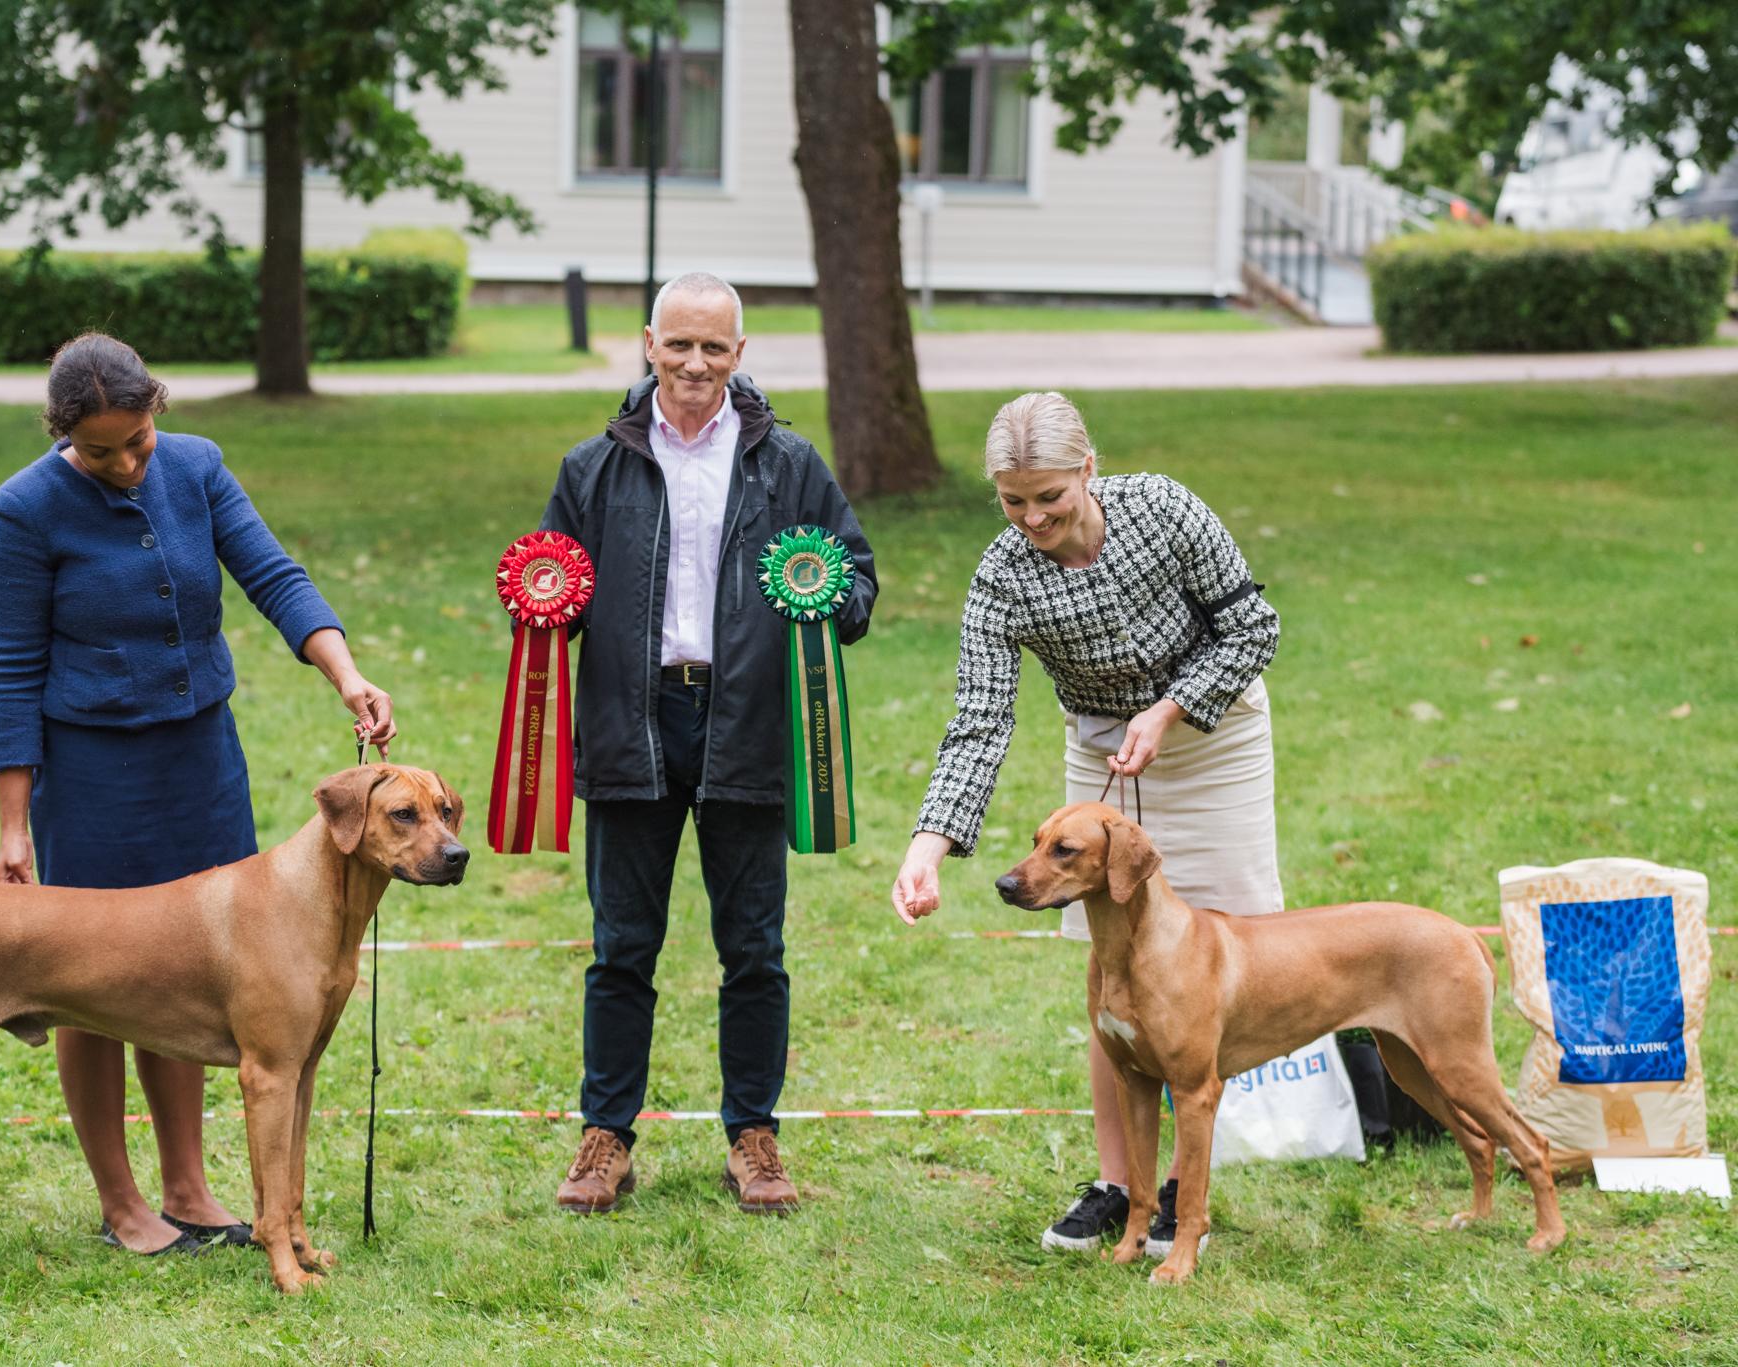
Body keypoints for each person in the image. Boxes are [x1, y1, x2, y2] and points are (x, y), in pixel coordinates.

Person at [0, 332, 395, 1255]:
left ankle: (189, 1185)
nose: (127, 462)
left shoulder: (198, 467)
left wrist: (346, 673)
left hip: (201, 762)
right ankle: (122, 1200)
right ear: (63, 438)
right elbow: (14, 677)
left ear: (157, 412)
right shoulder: (22, 512)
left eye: (139, 439)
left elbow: (274, 577)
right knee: (89, 978)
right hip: (89, 776)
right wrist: (15, 827)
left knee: (200, 971)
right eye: (101, 450)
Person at [892, 391, 1280, 1259]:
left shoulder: (1166, 510)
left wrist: (1174, 707)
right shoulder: (1002, 574)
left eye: (1050, 497)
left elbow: (1253, 623)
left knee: (1213, 959)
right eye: (1013, 500)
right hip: (1103, 758)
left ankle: (1186, 1195)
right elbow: (981, 717)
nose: (1033, 517)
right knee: (1117, 979)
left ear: (1088, 469)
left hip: (1213, 738)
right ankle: (1121, 1188)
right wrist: (930, 846)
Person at [539, 272, 877, 1216]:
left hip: (748, 728)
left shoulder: (790, 465)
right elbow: (548, 582)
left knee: (755, 947)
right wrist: (543, 608)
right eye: (678, 344)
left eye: (714, 348)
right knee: (621, 947)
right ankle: (605, 1135)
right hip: (631, 724)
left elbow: (854, 576)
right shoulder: (592, 466)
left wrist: (830, 602)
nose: (694, 364)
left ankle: (754, 1136)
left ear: (740, 352)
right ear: (648, 343)